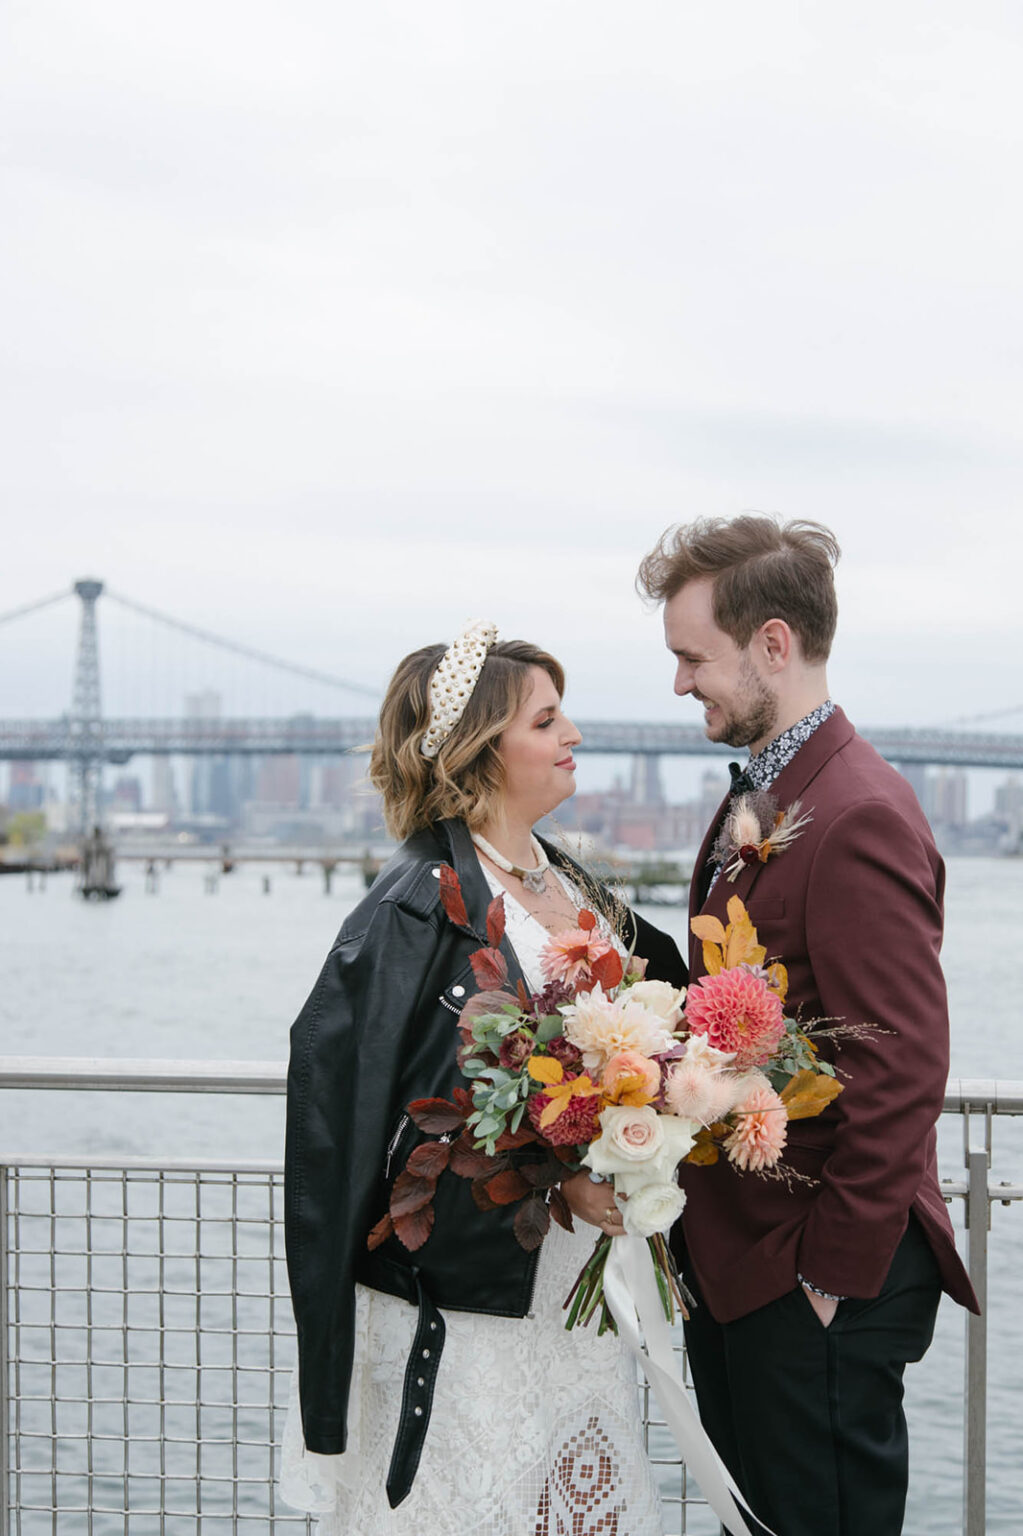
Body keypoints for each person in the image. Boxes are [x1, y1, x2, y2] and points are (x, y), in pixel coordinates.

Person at [280, 622, 686, 1536]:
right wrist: (556, 1176)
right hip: (466, 1298)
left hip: (570, 1282)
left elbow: (658, 1020)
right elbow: (347, 1118)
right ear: (482, 750)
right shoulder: (414, 902)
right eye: (547, 721)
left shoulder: (570, 882)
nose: (573, 734)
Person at [636, 516, 978, 1536]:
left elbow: (905, 1065)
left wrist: (829, 1277)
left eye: (693, 658)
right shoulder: (774, 791)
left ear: (772, 644)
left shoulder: (856, 810)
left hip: (811, 1276)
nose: (681, 684)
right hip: (748, 1265)